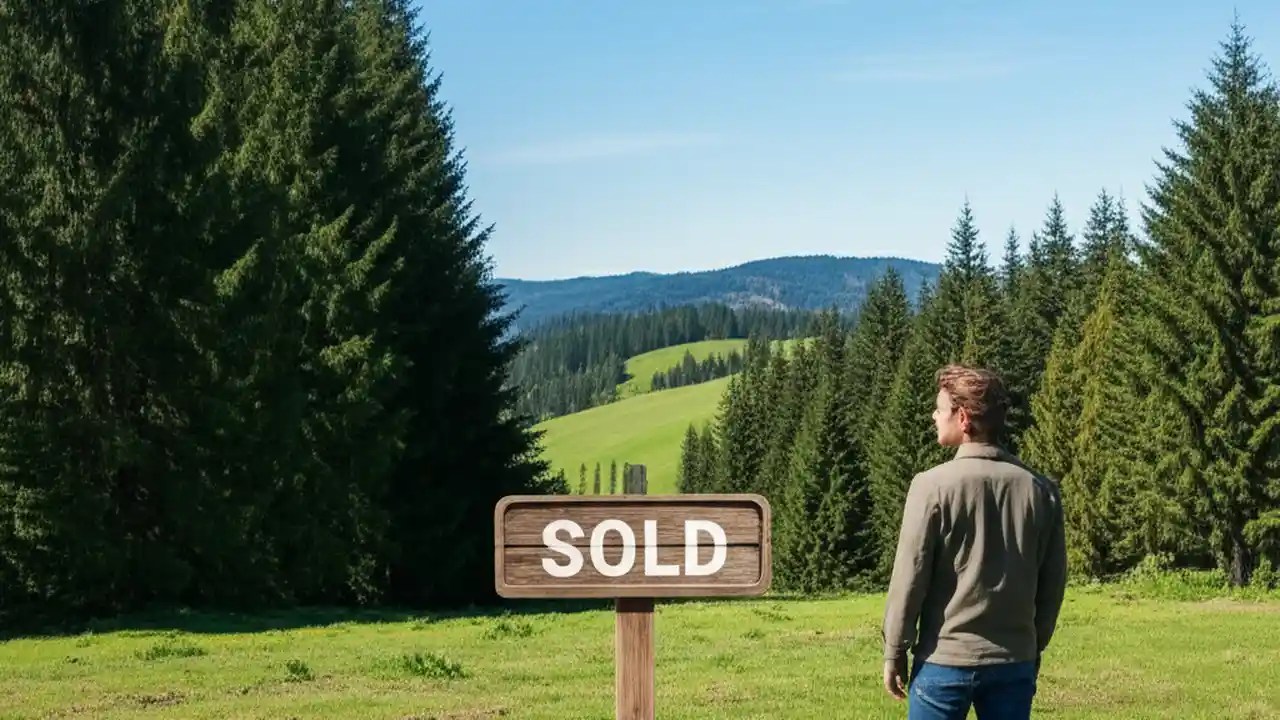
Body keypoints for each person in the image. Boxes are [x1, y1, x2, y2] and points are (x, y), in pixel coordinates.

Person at [880, 364, 1067, 719]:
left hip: (943, 661)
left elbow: (909, 579)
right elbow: (1052, 584)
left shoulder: (931, 486)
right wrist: (1032, 644)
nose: (934, 415)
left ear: (963, 418)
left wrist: (895, 650)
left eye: (941, 408)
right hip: (1015, 661)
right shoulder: (1041, 490)